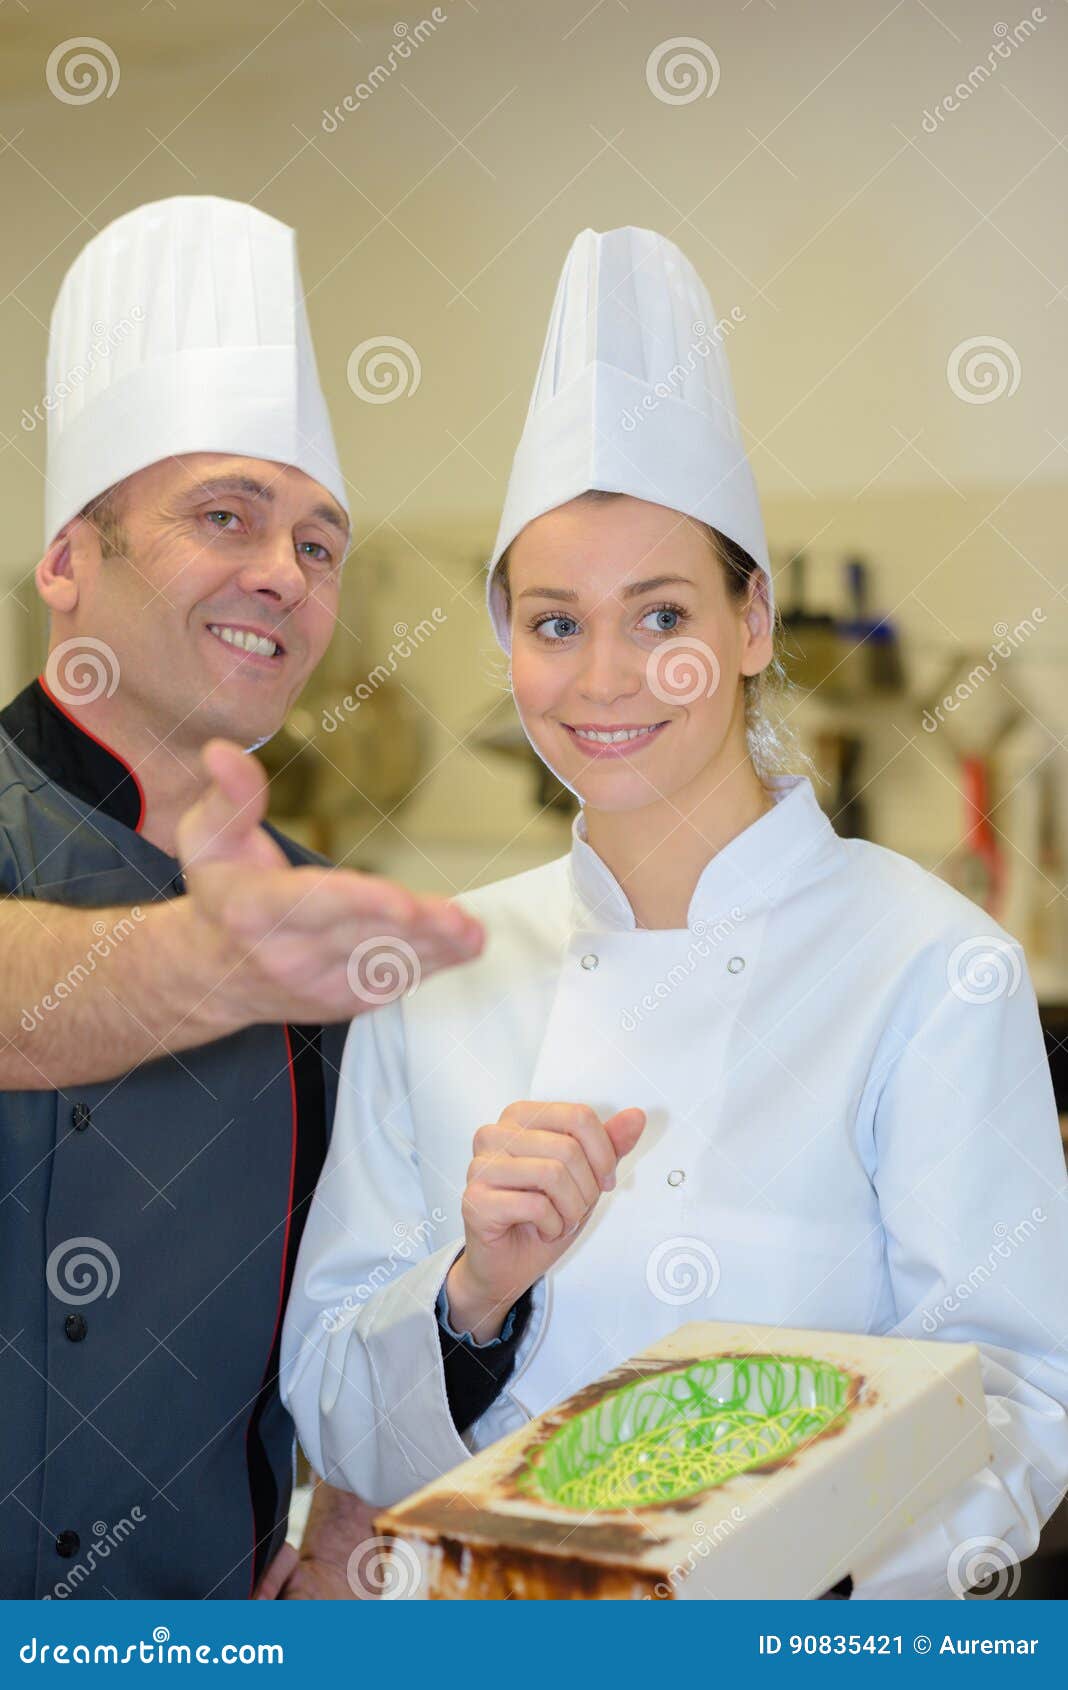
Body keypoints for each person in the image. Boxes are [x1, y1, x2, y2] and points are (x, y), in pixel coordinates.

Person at [280, 226, 1068, 1599]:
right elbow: (337, 1411)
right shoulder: (441, 971)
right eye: (554, 622)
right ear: (509, 644)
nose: (604, 678)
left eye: (659, 617)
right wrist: (472, 1298)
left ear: (752, 623)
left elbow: (1013, 1401)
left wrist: (751, 1589)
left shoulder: (935, 967)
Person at [0, 195, 484, 1599]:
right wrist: (200, 966)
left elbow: (347, 1294)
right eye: (227, 516)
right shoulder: (262, 943)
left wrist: (341, 1518)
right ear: (66, 560)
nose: (285, 573)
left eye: (320, 544)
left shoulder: (307, 927)